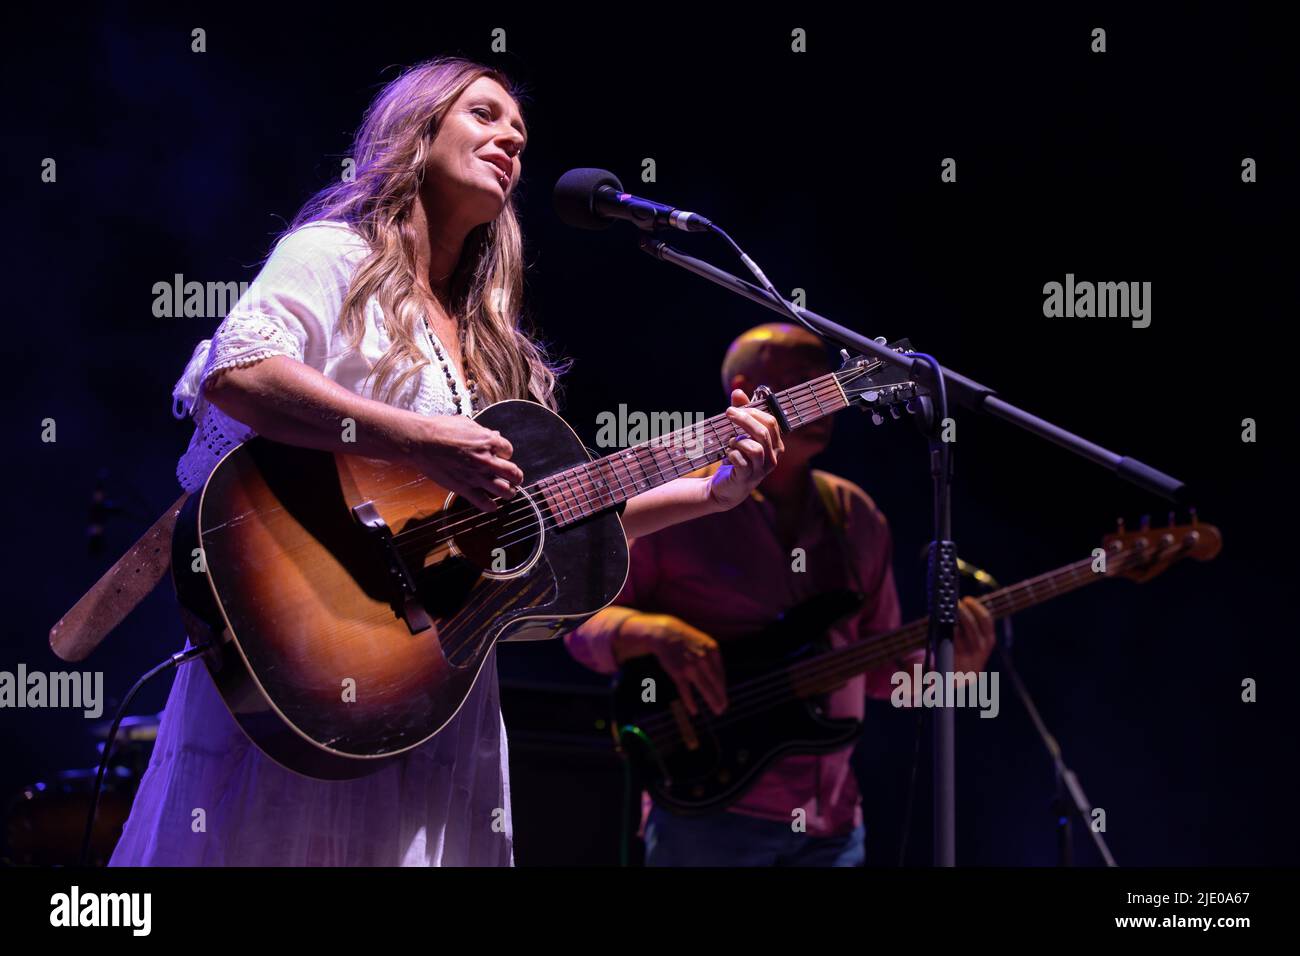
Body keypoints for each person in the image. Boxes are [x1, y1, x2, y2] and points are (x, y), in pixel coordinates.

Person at [109, 57, 784, 867]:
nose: (510, 140)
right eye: (485, 115)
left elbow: (544, 522)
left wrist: (709, 494)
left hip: (436, 695)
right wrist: (415, 436)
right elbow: (241, 371)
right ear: (419, 129)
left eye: (521, 137)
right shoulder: (334, 255)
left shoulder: (501, 348)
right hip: (310, 646)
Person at [565, 323, 996, 866]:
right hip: (709, 810)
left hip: (834, 822)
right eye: (803, 380)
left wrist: (951, 674)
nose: (827, 396)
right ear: (746, 390)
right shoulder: (679, 503)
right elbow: (580, 630)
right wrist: (653, 632)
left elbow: (879, 668)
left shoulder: (856, 516)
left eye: (830, 381)